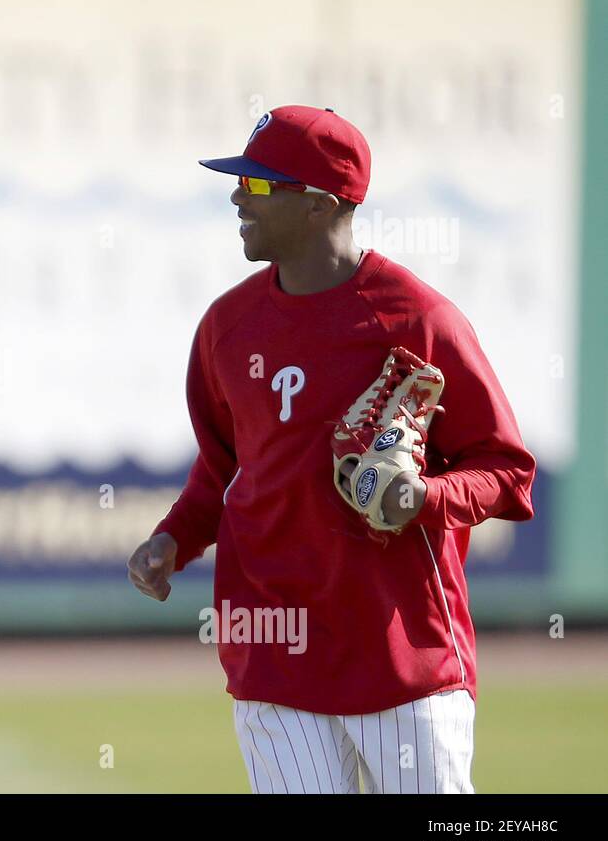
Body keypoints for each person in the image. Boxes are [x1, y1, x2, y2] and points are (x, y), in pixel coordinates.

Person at [126, 105, 534, 793]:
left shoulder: (419, 320)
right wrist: (175, 538)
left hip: (403, 661)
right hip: (273, 653)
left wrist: (427, 497)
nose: (236, 196)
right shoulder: (228, 327)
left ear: (318, 204)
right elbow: (227, 467)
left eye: (257, 185)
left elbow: (508, 471)